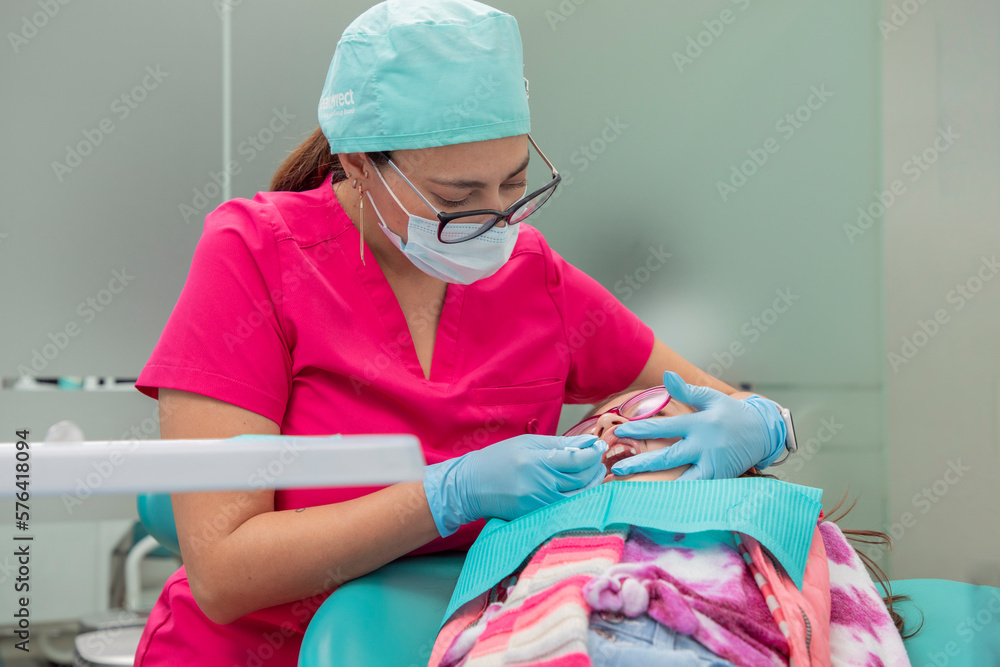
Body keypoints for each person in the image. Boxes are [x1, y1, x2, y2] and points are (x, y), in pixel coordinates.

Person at [132, 1, 794, 664]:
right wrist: (446, 494)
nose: (496, 222)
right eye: (454, 201)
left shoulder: (533, 278)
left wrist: (767, 425)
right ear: (360, 162)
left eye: (514, 183)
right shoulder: (254, 255)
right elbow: (222, 573)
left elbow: (713, 401)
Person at [429, 386, 918, 666]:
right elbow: (475, 628)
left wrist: (767, 421)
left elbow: (857, 629)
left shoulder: (765, 506)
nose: (608, 427)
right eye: (587, 429)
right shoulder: (534, 530)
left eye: (644, 409)